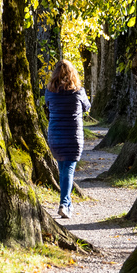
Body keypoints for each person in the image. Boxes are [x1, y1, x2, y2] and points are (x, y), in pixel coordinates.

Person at [44, 59, 91, 219]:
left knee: (63, 169)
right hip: (73, 135)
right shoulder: (78, 91)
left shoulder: (49, 91)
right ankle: (65, 204)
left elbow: (47, 106)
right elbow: (87, 107)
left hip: (55, 135)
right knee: (68, 170)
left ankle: (67, 204)